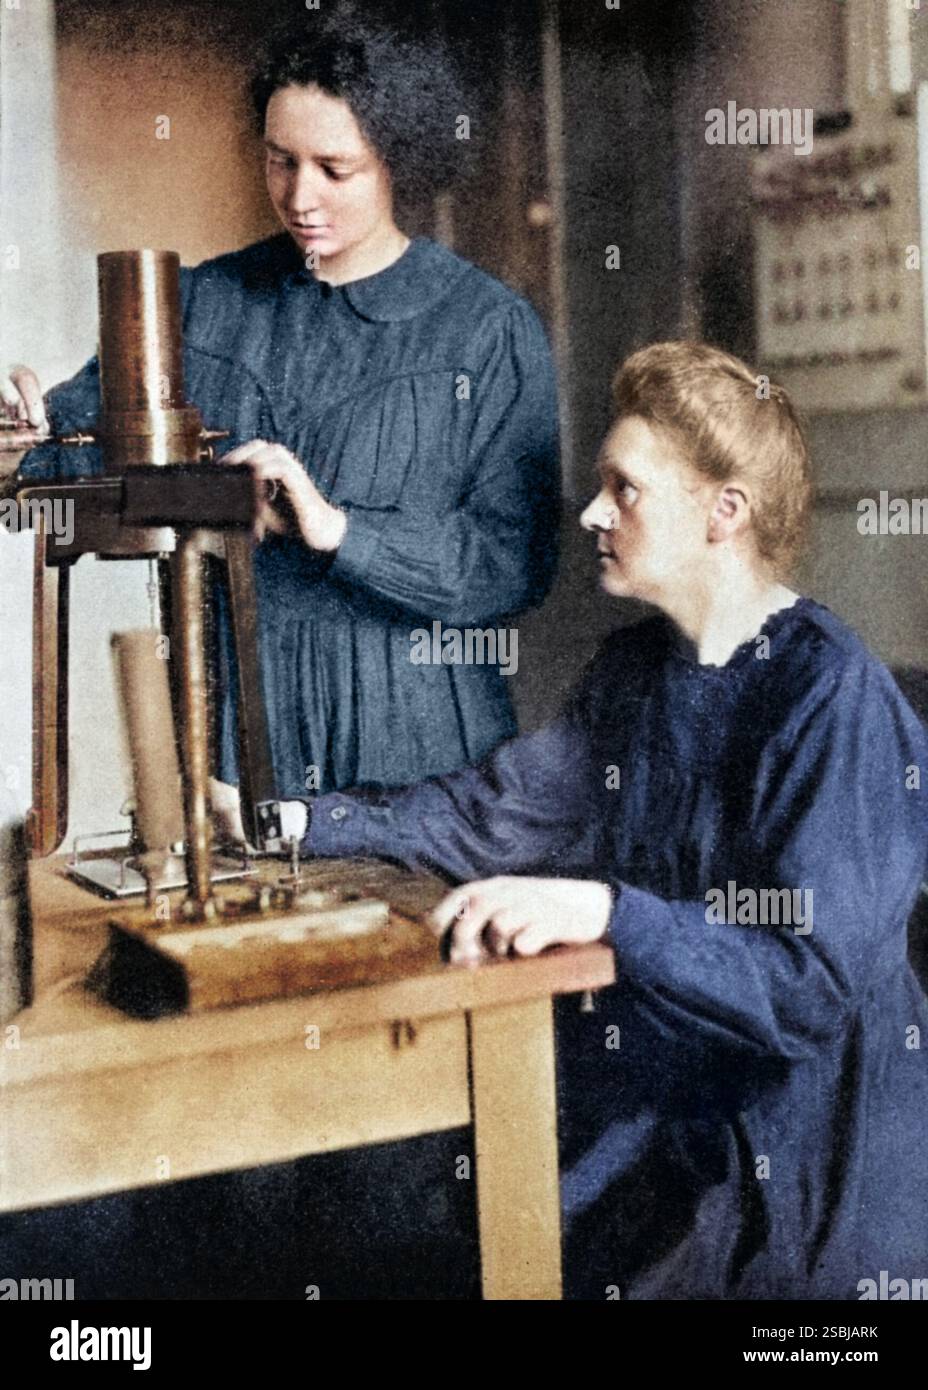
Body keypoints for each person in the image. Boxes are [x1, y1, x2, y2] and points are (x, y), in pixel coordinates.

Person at [269, 340, 928, 1299]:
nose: (591, 514)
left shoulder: (829, 694)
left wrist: (607, 913)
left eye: (624, 490)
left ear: (723, 512)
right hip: (684, 1105)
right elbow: (489, 817)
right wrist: (293, 821)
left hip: (820, 1153)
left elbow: (807, 982)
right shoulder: (634, 673)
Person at [8, 8, 560, 803]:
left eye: (336, 169)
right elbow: (72, 453)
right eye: (280, 161)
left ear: (397, 159)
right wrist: (22, 432)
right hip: (239, 736)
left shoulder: (484, 329)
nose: (301, 196)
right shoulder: (204, 304)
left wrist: (339, 530)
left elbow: (515, 562)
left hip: (419, 743)